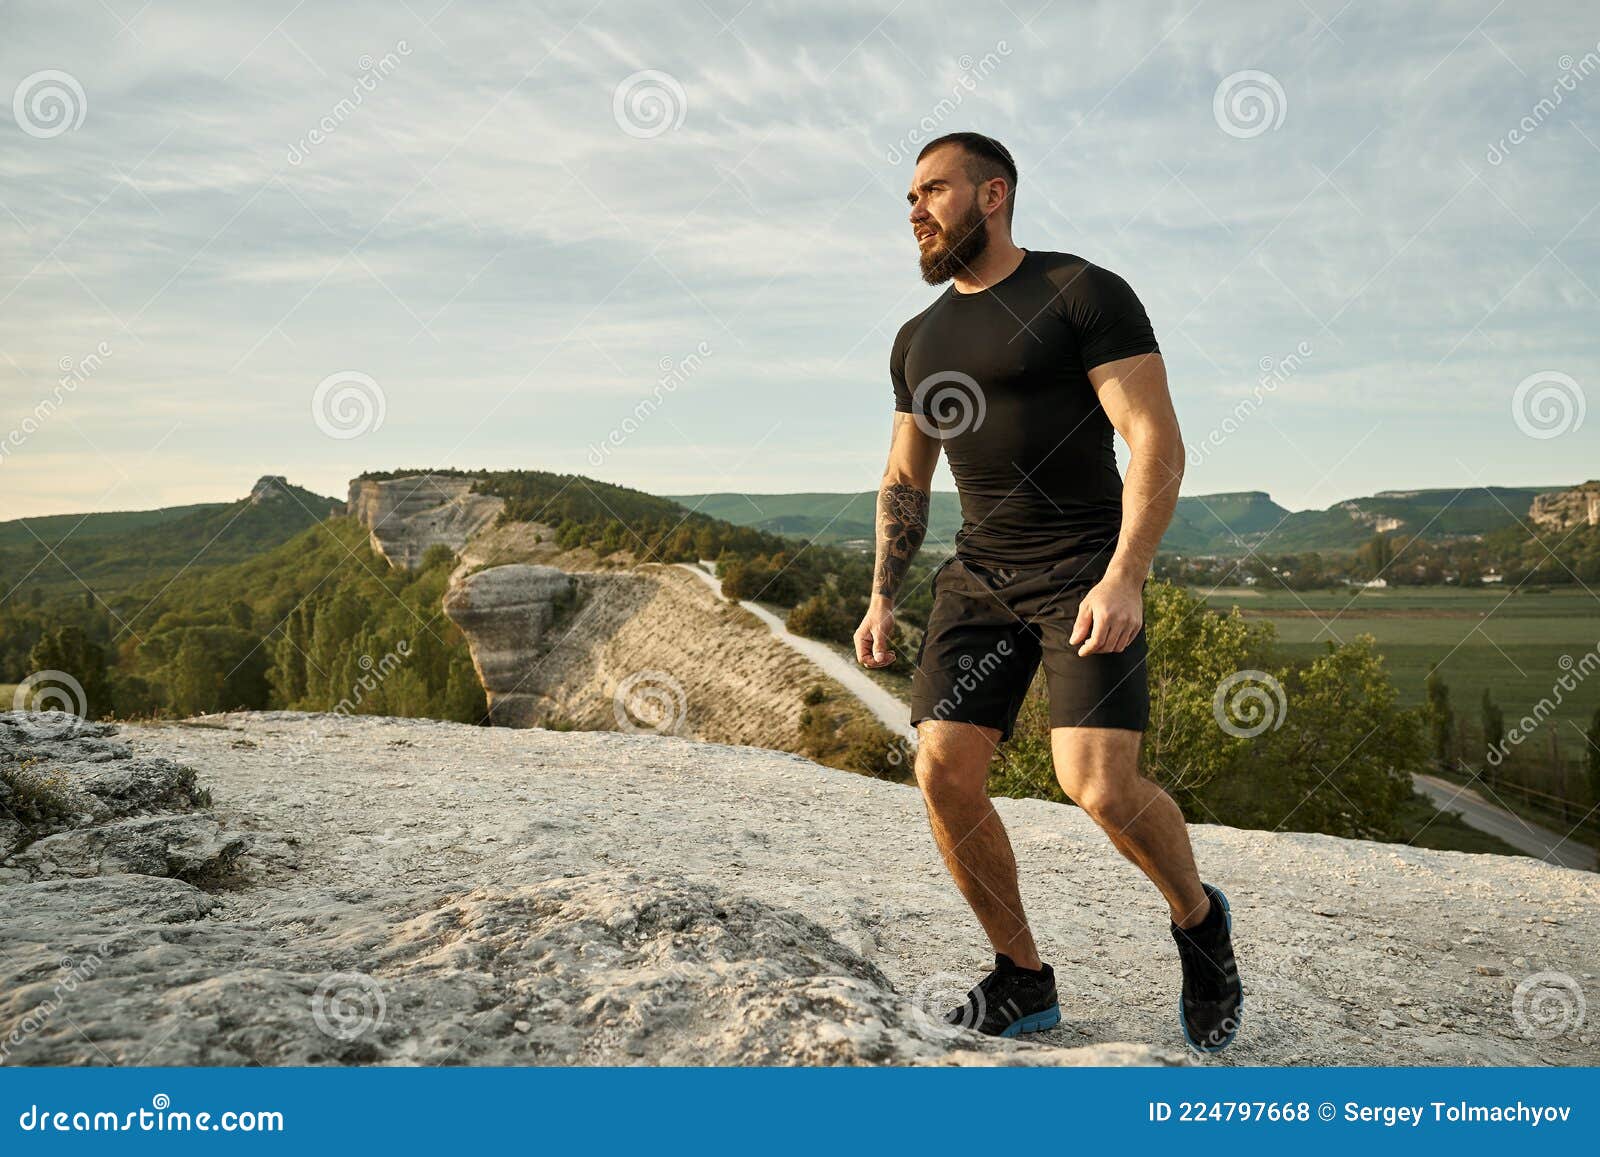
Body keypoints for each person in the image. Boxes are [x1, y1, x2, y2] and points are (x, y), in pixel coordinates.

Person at [854, 131, 1243, 1050]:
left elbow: (1155, 439)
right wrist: (882, 596)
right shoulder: (918, 339)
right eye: (909, 195)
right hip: (980, 575)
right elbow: (905, 479)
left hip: (1083, 569)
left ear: (993, 196)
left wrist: (1126, 575)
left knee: (1098, 785)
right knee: (943, 768)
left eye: (933, 190)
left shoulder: (1082, 293)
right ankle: (1022, 977)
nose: (915, 209)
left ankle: (1200, 924)